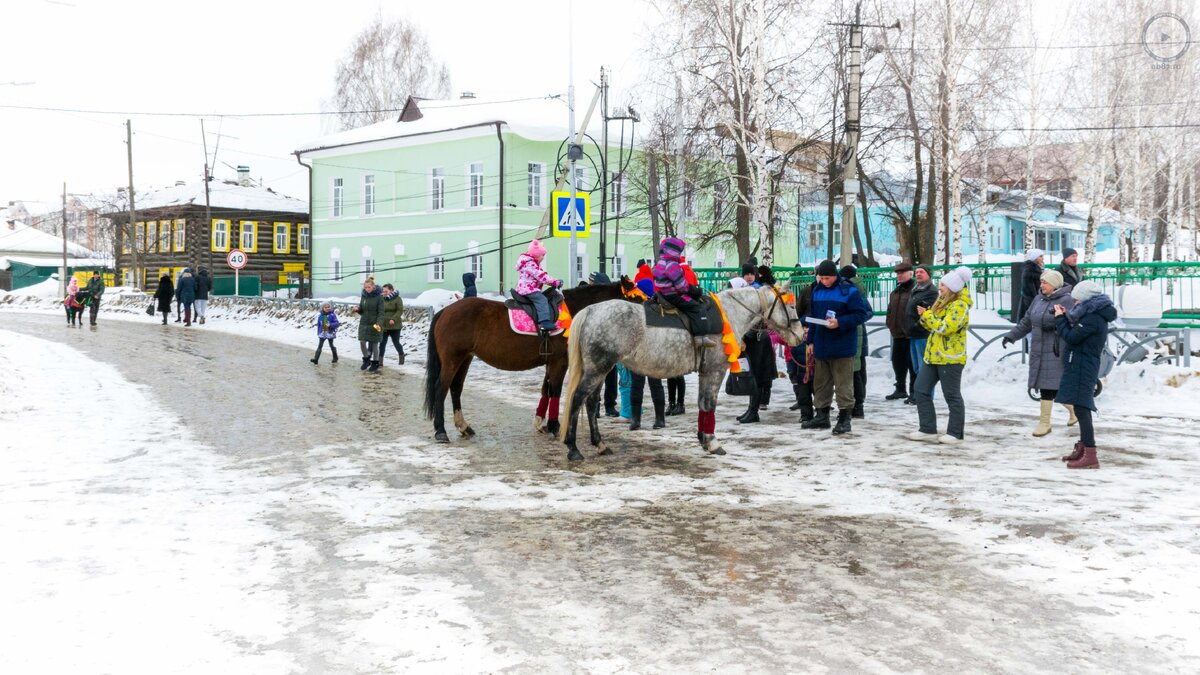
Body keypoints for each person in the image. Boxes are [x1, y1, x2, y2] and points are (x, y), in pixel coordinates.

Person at [1002, 269, 1077, 437]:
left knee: (1048, 387)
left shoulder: (1068, 299)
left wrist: (1059, 322)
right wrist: (1011, 336)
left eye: (1045, 282)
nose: (1041, 285)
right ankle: (1074, 412)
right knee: (1051, 387)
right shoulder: (1038, 299)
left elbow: (1074, 321)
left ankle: (1045, 423)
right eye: (1041, 282)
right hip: (1038, 349)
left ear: (1055, 285)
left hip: (1057, 349)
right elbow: (1026, 321)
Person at [802, 259, 872, 434]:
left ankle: (844, 418)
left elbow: (861, 314)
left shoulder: (849, 291)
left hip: (842, 346)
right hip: (821, 346)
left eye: (827, 278)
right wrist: (810, 341)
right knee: (821, 384)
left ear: (834, 276)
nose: (823, 281)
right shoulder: (817, 291)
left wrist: (840, 322)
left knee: (843, 384)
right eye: (821, 278)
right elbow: (813, 318)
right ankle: (822, 416)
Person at [1055, 280, 1117, 469]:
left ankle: (1090, 454)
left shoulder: (1093, 318)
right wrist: (1066, 318)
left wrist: (1059, 319)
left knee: (1082, 408)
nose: (1075, 304)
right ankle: (1083, 448)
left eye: (1077, 301)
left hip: (1083, 366)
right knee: (1080, 407)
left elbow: (1072, 337)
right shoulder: (1092, 314)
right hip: (1081, 364)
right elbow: (1077, 333)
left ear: (1086, 300)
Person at [907, 267, 972, 445]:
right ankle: (927, 428)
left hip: (950, 357)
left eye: (943, 284)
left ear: (952, 287)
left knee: (951, 394)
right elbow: (933, 326)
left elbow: (945, 328)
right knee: (920, 388)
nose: (940, 287)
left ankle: (955, 433)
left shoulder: (960, 305)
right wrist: (926, 316)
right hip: (934, 355)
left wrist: (927, 315)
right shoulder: (942, 301)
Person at [652, 237, 713, 348]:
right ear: (674, 251)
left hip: (663, 293)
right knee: (696, 307)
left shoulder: (660, 262)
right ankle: (700, 337)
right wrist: (694, 291)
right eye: (679, 251)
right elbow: (681, 286)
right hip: (673, 295)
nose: (680, 254)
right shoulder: (672, 265)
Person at [737, 265, 777, 423]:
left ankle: (754, 411)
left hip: (759, 337)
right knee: (751, 374)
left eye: (751, 274)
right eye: (746, 274)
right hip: (750, 337)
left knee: (758, 375)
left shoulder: (760, 292)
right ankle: (751, 409)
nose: (749, 277)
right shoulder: (745, 290)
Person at [666, 259, 700, 416]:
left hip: (680, 311)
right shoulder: (689, 272)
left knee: (675, 374)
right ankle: (675, 403)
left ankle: (676, 403)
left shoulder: (680, 272)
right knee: (674, 375)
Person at [903, 264, 938, 405]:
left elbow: (927, 312)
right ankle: (920, 396)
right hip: (913, 334)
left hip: (923, 334)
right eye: (916, 272)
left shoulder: (931, 292)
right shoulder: (916, 289)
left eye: (921, 272)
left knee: (925, 369)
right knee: (917, 368)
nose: (918, 274)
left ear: (929, 274)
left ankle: (927, 397)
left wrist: (917, 326)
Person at [588, 270, 620, 416]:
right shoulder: (589, 301)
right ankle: (595, 406)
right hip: (594, 345)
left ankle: (609, 405)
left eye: (591, 283)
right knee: (595, 377)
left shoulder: (611, 303)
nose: (589, 286)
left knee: (611, 377)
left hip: (611, 344)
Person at [515, 239, 562, 332]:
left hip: (527, 288)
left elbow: (542, 275)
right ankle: (544, 322)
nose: (543, 257)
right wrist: (554, 282)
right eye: (542, 255)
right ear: (536, 255)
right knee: (542, 299)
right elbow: (541, 276)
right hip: (527, 289)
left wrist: (553, 281)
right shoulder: (530, 264)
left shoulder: (530, 263)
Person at [841, 265, 869, 419]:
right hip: (857, 334)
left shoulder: (851, 289)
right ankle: (858, 405)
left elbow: (866, 311)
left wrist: (852, 320)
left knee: (854, 371)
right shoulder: (858, 288)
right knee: (857, 371)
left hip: (853, 333)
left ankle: (857, 406)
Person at [885, 262, 916, 401]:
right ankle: (900, 388)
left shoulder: (915, 291)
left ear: (910, 273)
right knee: (898, 362)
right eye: (897, 273)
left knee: (912, 364)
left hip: (910, 334)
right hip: (897, 333)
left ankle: (914, 391)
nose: (899, 275)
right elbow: (890, 310)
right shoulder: (895, 292)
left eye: (902, 273)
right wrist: (890, 324)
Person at [352, 276, 384, 372]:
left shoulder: (379, 297)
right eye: (365, 287)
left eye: (368, 287)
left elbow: (381, 312)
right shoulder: (364, 296)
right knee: (362, 342)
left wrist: (379, 323)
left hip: (375, 324)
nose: (367, 289)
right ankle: (366, 360)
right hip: (364, 323)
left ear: (373, 287)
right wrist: (358, 309)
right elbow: (362, 310)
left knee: (374, 344)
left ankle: (375, 362)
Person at [378, 283, 405, 365]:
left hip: (395, 325)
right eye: (383, 291)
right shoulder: (382, 299)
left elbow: (399, 310)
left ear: (391, 290)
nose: (384, 292)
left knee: (396, 342)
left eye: (386, 291)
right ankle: (380, 361)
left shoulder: (397, 299)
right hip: (384, 325)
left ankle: (401, 355)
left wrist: (393, 319)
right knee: (382, 343)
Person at [1018, 248, 1045, 322]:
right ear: (1035, 258)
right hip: (1031, 302)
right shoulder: (1029, 270)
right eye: (1040, 256)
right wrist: (1035, 302)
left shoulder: (1038, 269)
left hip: (1035, 301)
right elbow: (1028, 290)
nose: (1043, 258)